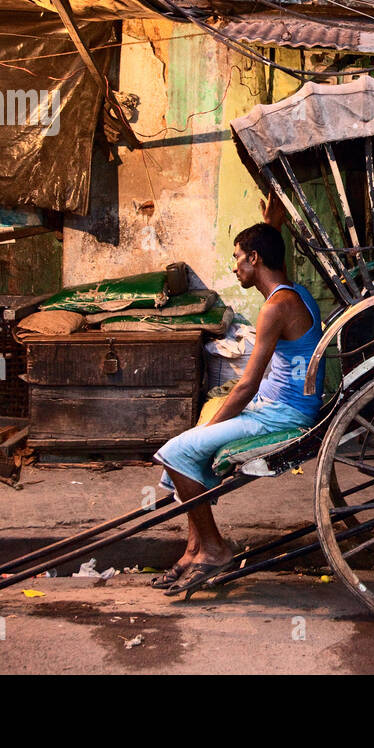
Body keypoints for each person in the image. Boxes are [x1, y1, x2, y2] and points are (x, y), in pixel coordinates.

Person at [152, 201, 324, 595]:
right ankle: (193, 548)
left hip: (280, 415)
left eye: (238, 258)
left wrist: (214, 428)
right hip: (279, 406)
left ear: (255, 258)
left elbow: (247, 384)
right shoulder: (294, 293)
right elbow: (272, 254)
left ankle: (213, 549)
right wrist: (271, 223)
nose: (234, 267)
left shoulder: (275, 308)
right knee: (187, 445)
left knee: (178, 451)